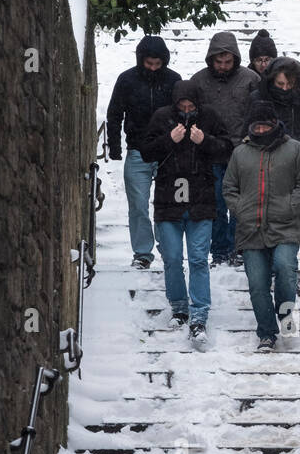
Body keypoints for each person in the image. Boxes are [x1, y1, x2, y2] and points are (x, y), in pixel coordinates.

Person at [137, 81, 232, 344]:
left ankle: (200, 311)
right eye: (183, 106)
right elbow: (145, 152)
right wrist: (170, 139)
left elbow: (227, 149)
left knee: (199, 257)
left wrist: (205, 141)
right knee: (172, 257)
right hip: (169, 199)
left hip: (201, 198)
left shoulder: (210, 116)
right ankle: (179, 306)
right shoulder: (161, 117)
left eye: (191, 106)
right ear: (175, 104)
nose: (187, 110)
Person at [222, 103, 300, 351]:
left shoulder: (295, 149)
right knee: (257, 283)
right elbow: (229, 188)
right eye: (256, 126)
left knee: (286, 269)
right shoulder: (240, 153)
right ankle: (266, 332)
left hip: (285, 227)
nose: (261, 130)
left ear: (275, 124)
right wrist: (240, 209)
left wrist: (289, 207)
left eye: (265, 125)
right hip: (250, 229)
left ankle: (285, 316)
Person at [106, 36, 182, 268]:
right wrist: (115, 147)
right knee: (138, 204)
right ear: (141, 60)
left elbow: (184, 112)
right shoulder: (127, 80)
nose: (152, 68)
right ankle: (142, 253)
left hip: (167, 151)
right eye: (149, 63)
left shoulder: (173, 80)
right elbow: (114, 114)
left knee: (165, 203)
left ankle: (168, 248)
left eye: (157, 64)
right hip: (137, 150)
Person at [185, 31, 259, 268]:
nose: (223, 66)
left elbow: (260, 111)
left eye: (228, 62)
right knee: (215, 203)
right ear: (211, 59)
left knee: (240, 204)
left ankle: (238, 248)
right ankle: (219, 250)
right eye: (219, 62)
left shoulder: (250, 79)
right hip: (210, 150)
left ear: (235, 58)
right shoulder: (198, 81)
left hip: (242, 150)